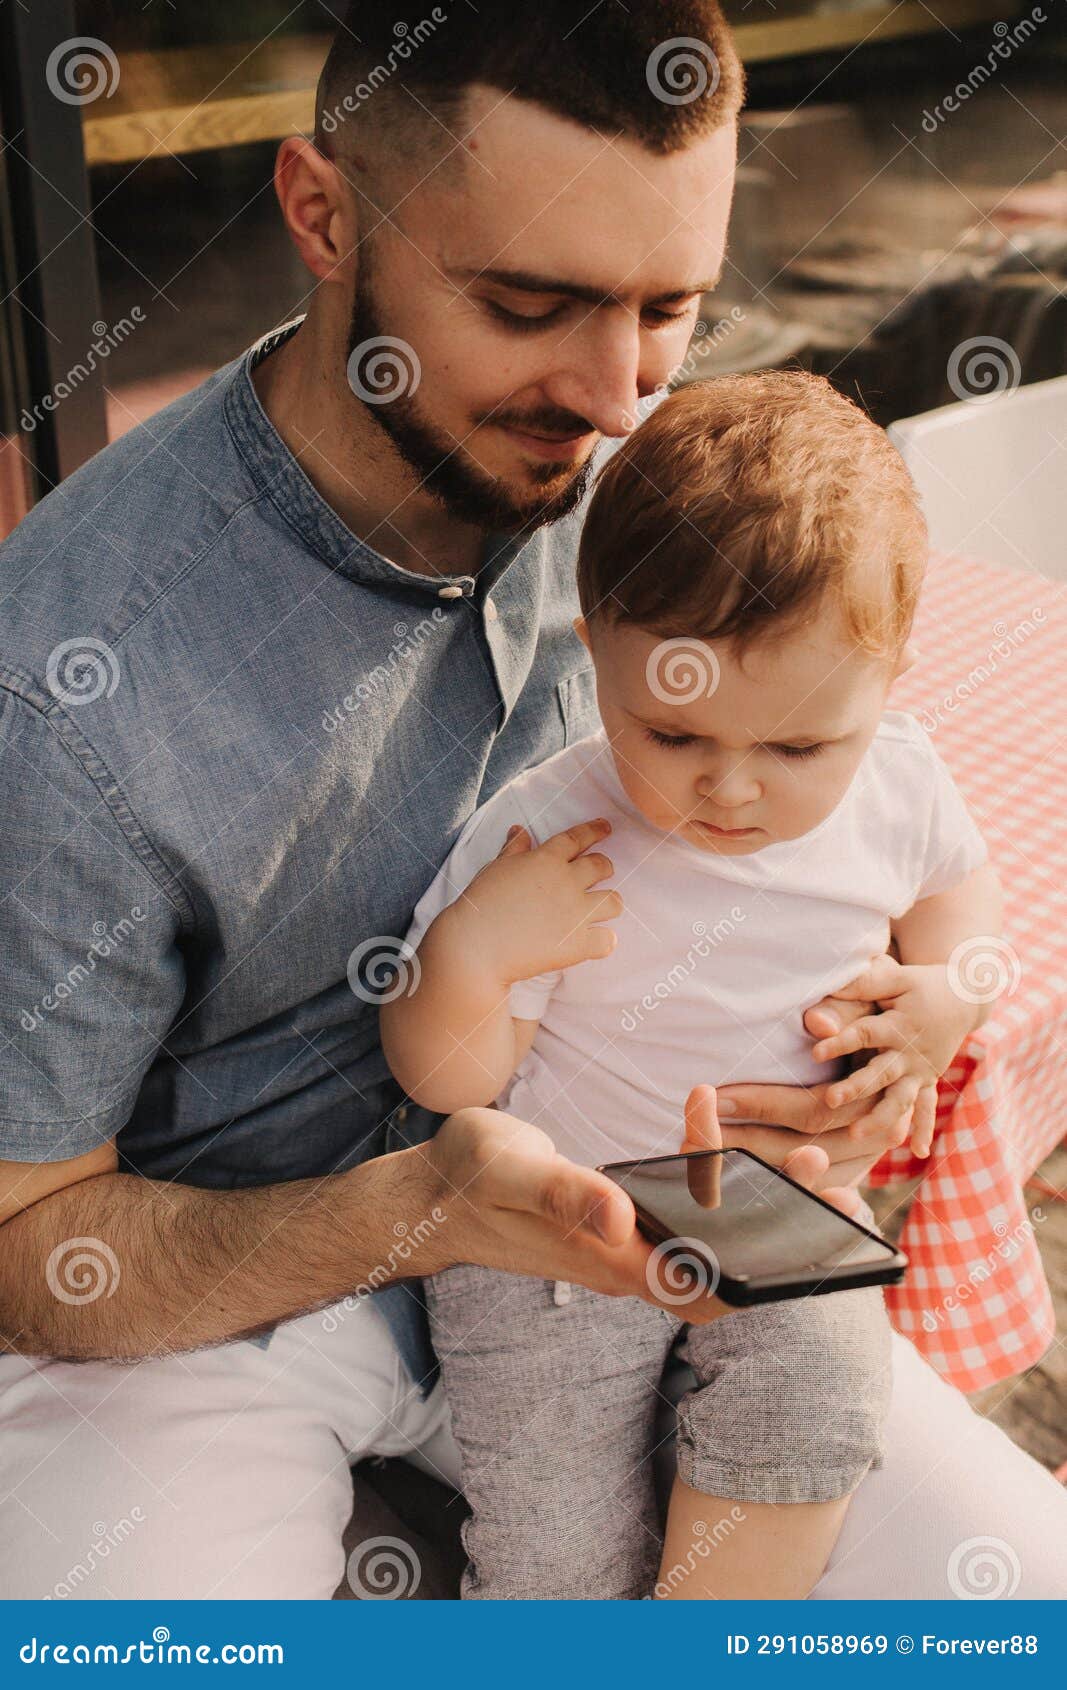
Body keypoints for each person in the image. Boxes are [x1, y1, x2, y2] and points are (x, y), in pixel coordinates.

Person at [0, 1, 1063, 1601]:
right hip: (216, 1312)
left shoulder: (632, 487)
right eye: (528, 303)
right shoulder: (73, 685)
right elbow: (34, 1252)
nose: (616, 393)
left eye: (670, 309)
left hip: (661, 1219)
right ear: (320, 212)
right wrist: (421, 1208)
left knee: (1009, 1595)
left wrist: (868, 1037)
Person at [381, 373, 1002, 1599]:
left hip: (771, 1203)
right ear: (595, 645)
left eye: (792, 747)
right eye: (670, 735)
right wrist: (470, 954)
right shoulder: (551, 834)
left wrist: (946, 999)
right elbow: (450, 1083)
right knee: (556, 1539)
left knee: (819, 1399)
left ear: (887, 681)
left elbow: (962, 899)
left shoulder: (897, 783)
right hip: (555, 1228)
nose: (727, 790)